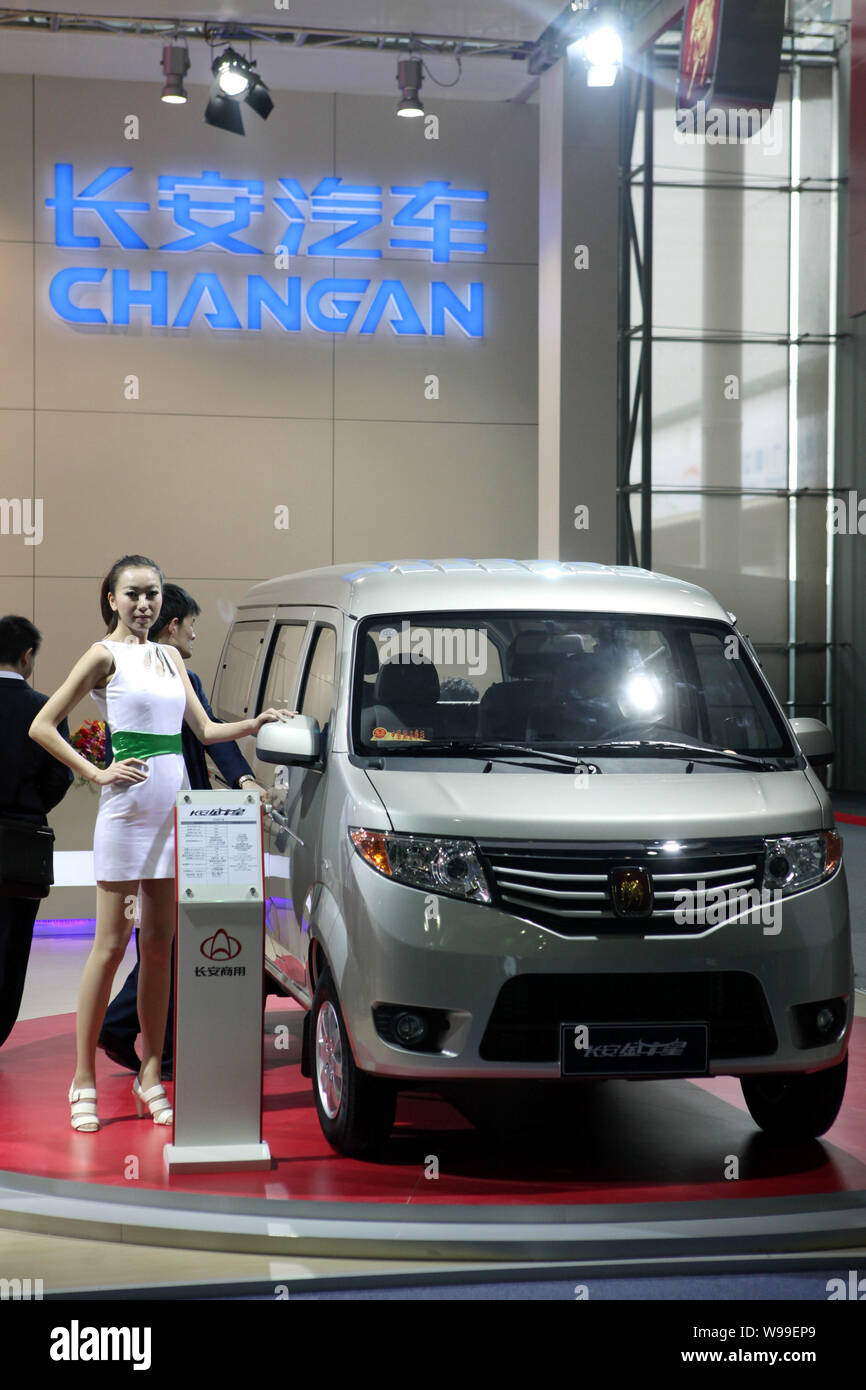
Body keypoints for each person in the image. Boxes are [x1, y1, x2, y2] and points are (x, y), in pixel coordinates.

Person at [29, 555, 292, 1133]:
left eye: (153, 593)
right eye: (133, 594)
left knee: (161, 947)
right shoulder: (103, 655)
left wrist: (256, 723)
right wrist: (96, 773)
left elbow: (204, 731)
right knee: (108, 945)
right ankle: (83, 1077)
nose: (144, 604)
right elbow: (43, 724)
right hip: (125, 818)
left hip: (176, 817)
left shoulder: (171, 656)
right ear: (111, 600)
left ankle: (150, 1071)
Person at [99, 583, 264, 1079]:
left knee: (166, 936)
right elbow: (206, 731)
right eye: (191, 625)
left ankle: (153, 1045)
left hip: (187, 817)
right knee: (153, 938)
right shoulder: (136, 667)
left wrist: (244, 776)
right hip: (151, 816)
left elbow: (212, 732)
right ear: (172, 627)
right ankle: (135, 1035)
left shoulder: (176, 672)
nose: (194, 634)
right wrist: (99, 772)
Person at [0, 616, 73, 1047]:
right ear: (27, 657)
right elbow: (59, 777)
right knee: (12, 946)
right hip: (22, 846)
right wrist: (29, 810)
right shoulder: (46, 709)